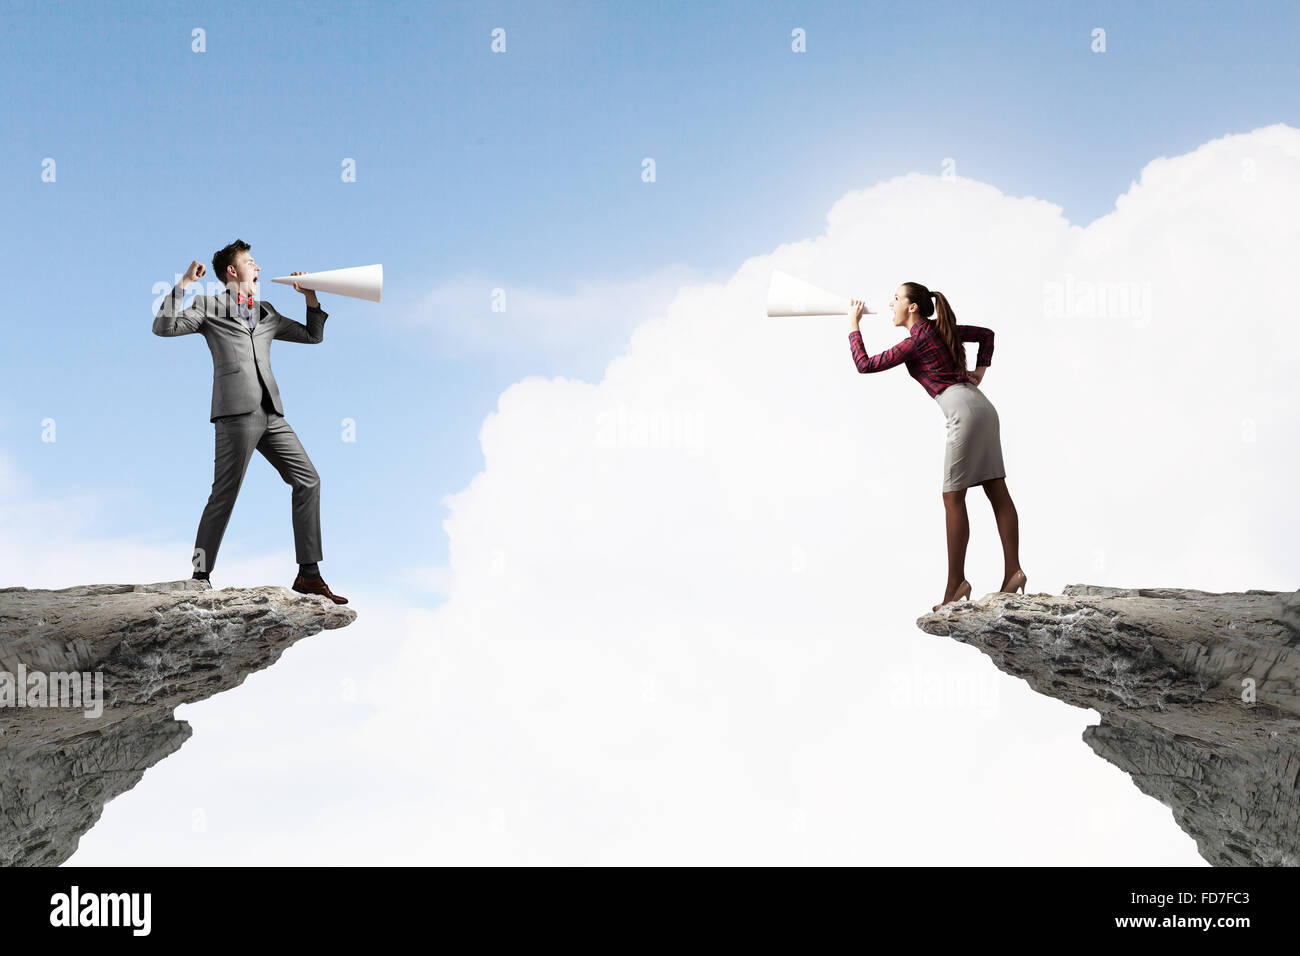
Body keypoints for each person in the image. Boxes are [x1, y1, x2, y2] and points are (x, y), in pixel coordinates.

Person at [152, 239, 348, 604]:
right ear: (232, 271)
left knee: (308, 481)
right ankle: (199, 575)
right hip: (234, 413)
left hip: (271, 412)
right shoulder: (207, 306)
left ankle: (308, 574)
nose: (258, 268)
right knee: (224, 495)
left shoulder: (268, 312)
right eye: (251, 262)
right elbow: (163, 327)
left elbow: (312, 335)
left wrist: (310, 298)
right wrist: (183, 285)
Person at [848, 283, 1026, 612]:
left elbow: (866, 364)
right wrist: (980, 372)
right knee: (996, 489)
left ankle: (956, 584)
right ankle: (1014, 572)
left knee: (952, 497)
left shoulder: (916, 340)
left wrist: (853, 325)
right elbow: (987, 334)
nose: (892, 303)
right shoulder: (941, 330)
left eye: (897, 299)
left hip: (961, 409)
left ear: (913, 307)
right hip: (982, 407)